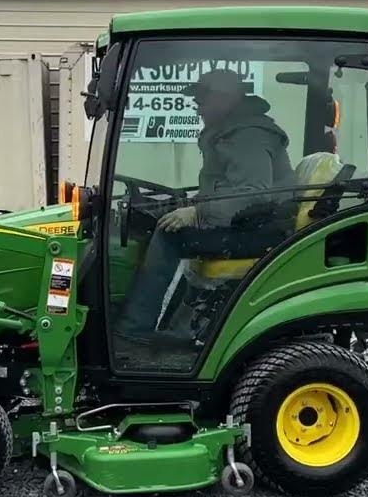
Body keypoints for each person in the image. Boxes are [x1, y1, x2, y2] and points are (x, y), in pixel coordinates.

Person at [114, 68, 295, 346]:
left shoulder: (248, 136)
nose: (197, 108)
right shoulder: (231, 131)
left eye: (201, 101)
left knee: (169, 236)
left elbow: (255, 195)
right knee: (155, 221)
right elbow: (225, 188)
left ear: (224, 99)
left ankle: (133, 330)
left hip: (260, 231)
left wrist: (198, 212)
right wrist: (185, 205)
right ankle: (174, 330)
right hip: (246, 223)